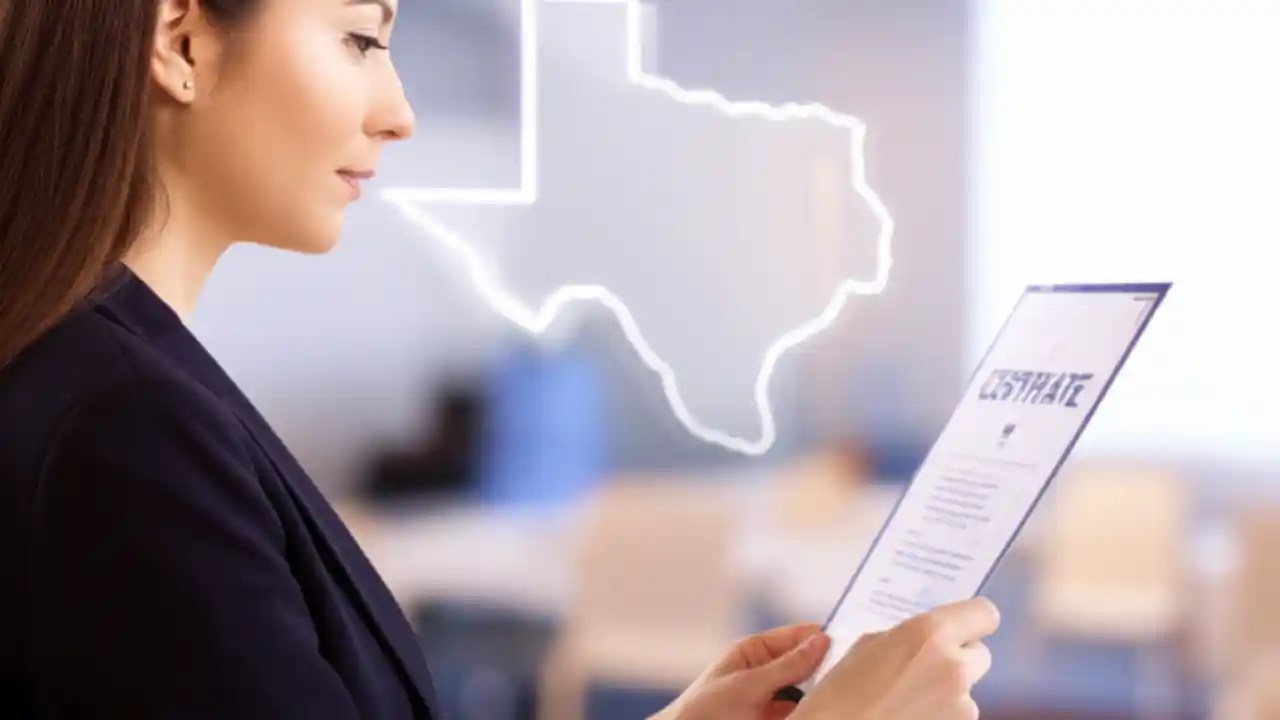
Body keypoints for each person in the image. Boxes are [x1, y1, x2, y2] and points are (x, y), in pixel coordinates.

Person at [0, 1, 1001, 718]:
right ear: (179, 43)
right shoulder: (124, 425)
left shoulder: (107, 374)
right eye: (357, 38)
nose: (399, 111)